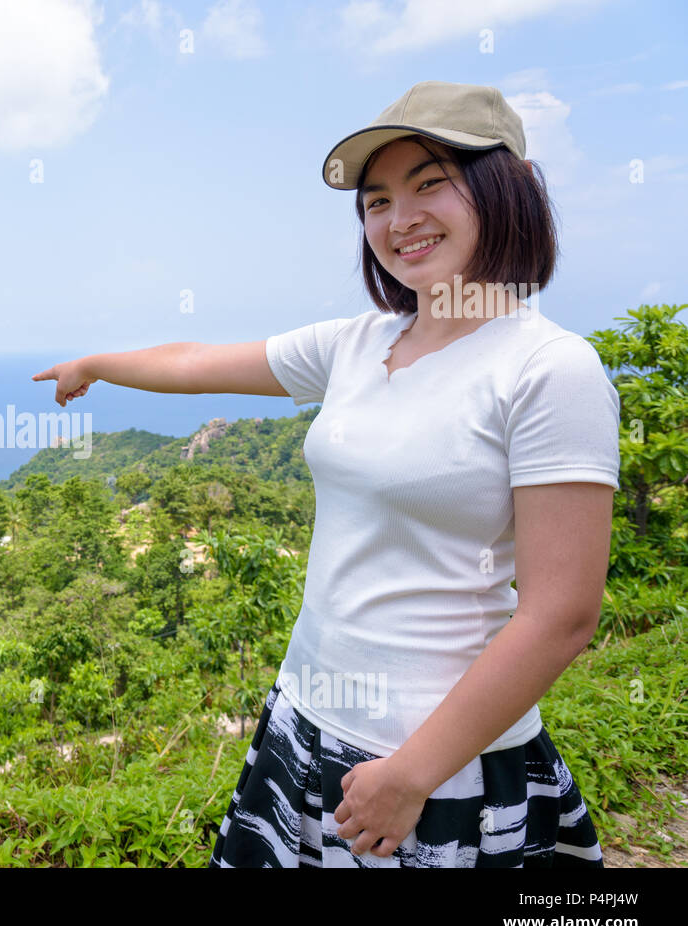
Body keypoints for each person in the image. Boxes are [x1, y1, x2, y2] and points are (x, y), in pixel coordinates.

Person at [31, 81, 619, 868]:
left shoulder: (550, 369)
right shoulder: (360, 341)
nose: (398, 219)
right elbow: (200, 362)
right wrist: (96, 364)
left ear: (504, 188)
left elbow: (563, 615)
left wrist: (411, 773)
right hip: (306, 715)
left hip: (434, 760)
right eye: (376, 201)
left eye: (429, 184)